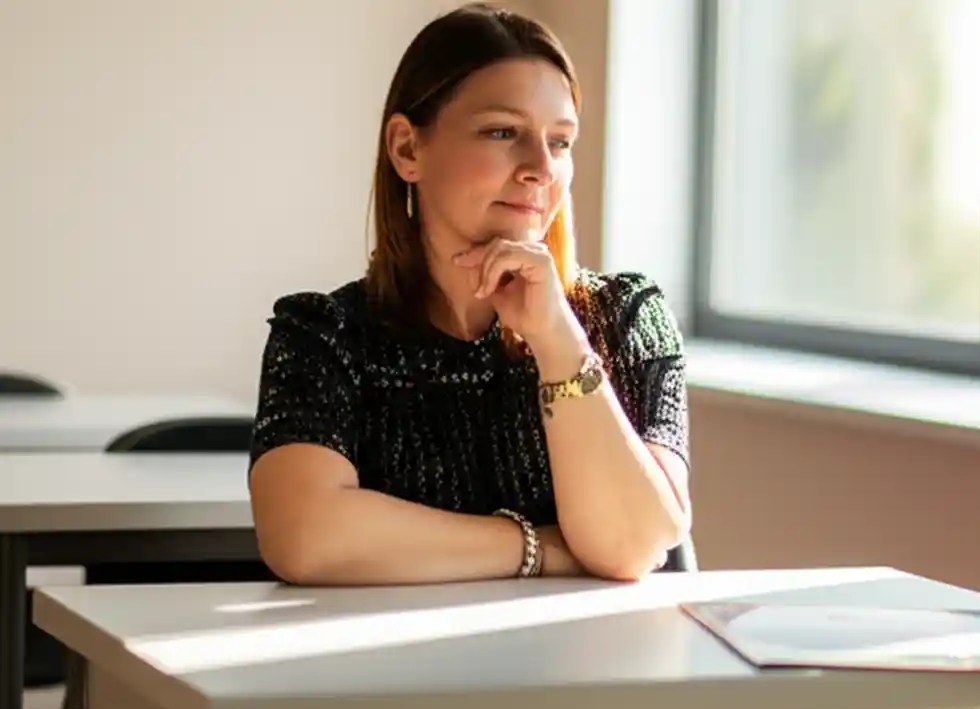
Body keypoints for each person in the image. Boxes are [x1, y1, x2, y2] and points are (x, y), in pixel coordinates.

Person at [247, 2, 691, 586]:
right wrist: (546, 550)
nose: (539, 168)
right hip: (386, 670)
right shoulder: (324, 335)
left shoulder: (626, 317)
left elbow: (633, 545)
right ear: (407, 149)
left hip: (587, 670)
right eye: (502, 132)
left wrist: (559, 340)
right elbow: (306, 538)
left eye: (559, 142)